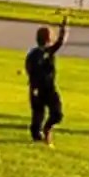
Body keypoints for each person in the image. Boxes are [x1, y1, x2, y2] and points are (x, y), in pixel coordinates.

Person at [25, 15, 69, 145]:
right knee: (38, 115)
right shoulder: (35, 55)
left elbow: (60, 42)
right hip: (38, 89)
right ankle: (38, 136)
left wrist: (63, 28)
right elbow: (31, 72)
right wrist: (35, 88)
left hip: (49, 88)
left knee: (57, 113)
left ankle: (47, 129)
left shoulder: (49, 51)